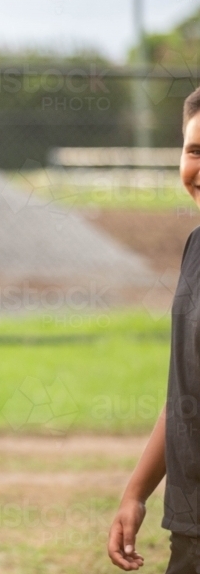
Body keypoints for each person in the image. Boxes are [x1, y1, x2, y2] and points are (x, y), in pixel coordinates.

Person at [108, 86, 200, 572]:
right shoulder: (195, 247)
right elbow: (184, 389)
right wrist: (137, 492)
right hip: (190, 523)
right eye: (194, 150)